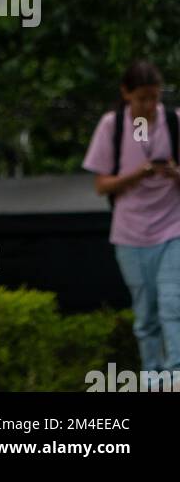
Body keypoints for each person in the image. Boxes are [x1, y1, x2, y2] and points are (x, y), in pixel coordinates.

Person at [82, 59, 180, 385]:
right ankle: (152, 376)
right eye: (142, 98)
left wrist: (173, 173)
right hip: (131, 231)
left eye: (156, 97)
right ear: (126, 94)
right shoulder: (114, 126)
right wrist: (140, 174)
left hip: (173, 225)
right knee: (147, 310)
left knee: (172, 302)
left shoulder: (173, 122)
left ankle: (176, 373)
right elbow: (101, 186)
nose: (150, 105)